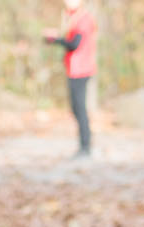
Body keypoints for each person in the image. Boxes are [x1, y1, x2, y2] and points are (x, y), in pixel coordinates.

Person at [44, 0, 97, 159]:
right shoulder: (75, 18)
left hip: (81, 70)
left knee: (79, 109)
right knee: (76, 108)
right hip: (74, 69)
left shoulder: (84, 19)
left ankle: (85, 147)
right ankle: (83, 146)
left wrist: (55, 40)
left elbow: (74, 44)